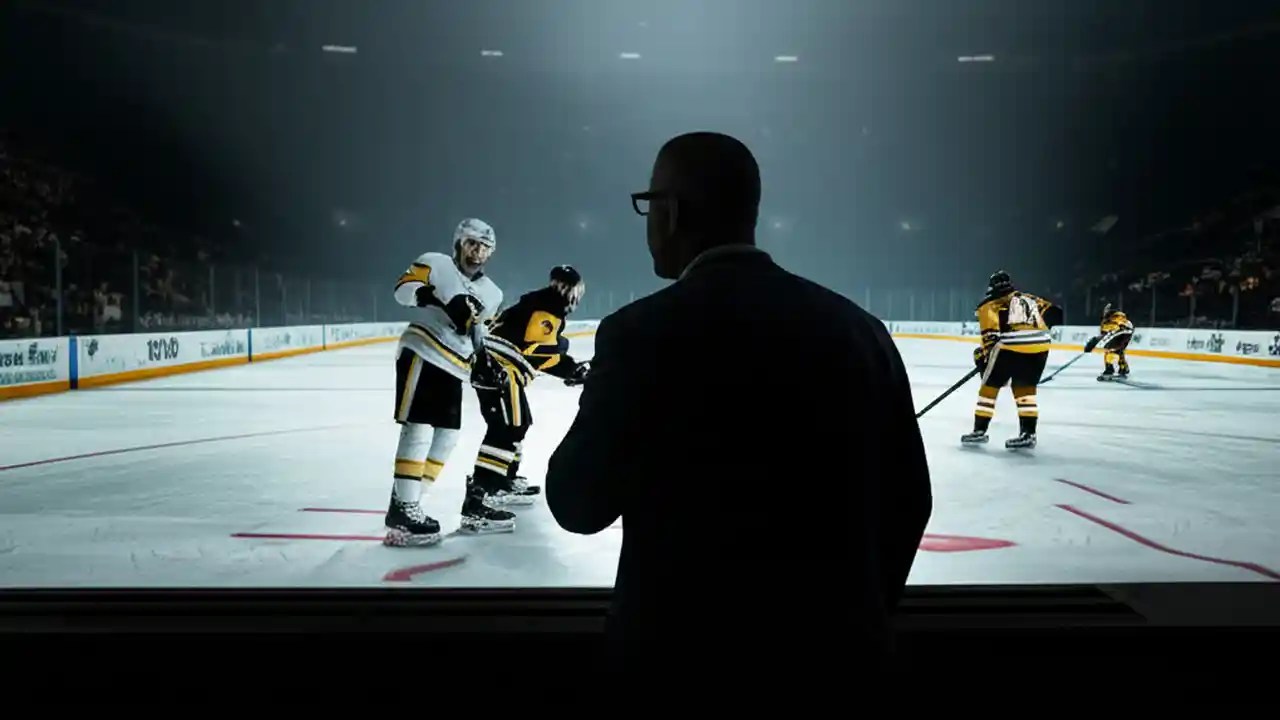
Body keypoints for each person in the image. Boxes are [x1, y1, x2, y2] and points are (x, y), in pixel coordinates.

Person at [543, 131, 933, 682]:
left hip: (679, 664)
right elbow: (910, 499)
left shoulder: (639, 335)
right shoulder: (859, 330)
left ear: (672, 212)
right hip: (839, 665)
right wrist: (855, 619)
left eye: (650, 203)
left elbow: (577, 502)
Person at [382, 218, 514, 546]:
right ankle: (405, 507)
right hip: (423, 349)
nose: (478, 252)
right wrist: (440, 300)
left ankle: (406, 501)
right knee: (419, 428)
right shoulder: (436, 263)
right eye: (472, 243)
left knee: (447, 438)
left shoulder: (492, 293)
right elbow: (403, 290)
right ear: (458, 243)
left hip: (456, 366)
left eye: (485, 247)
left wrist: (483, 359)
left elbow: (479, 330)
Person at [465, 264, 590, 511]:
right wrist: (569, 364)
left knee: (516, 423)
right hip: (501, 370)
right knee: (510, 426)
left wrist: (567, 364)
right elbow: (538, 349)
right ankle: (484, 490)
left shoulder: (537, 303)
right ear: (569, 291)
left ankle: (502, 479)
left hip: (495, 368)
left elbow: (534, 348)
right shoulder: (548, 309)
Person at [961, 270, 1062, 450]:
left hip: (1012, 344)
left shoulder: (989, 304)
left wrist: (984, 360)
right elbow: (1056, 312)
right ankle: (1028, 434)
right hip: (1041, 344)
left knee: (989, 387)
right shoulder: (1030, 298)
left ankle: (979, 431)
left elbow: (990, 337)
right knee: (1025, 390)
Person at [1085, 303, 1134, 380]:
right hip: (1126, 333)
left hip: (1121, 332)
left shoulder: (1113, 318)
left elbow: (1107, 333)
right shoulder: (1117, 317)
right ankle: (1123, 367)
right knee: (1118, 350)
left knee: (1110, 349)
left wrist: (1094, 341)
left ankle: (1110, 368)